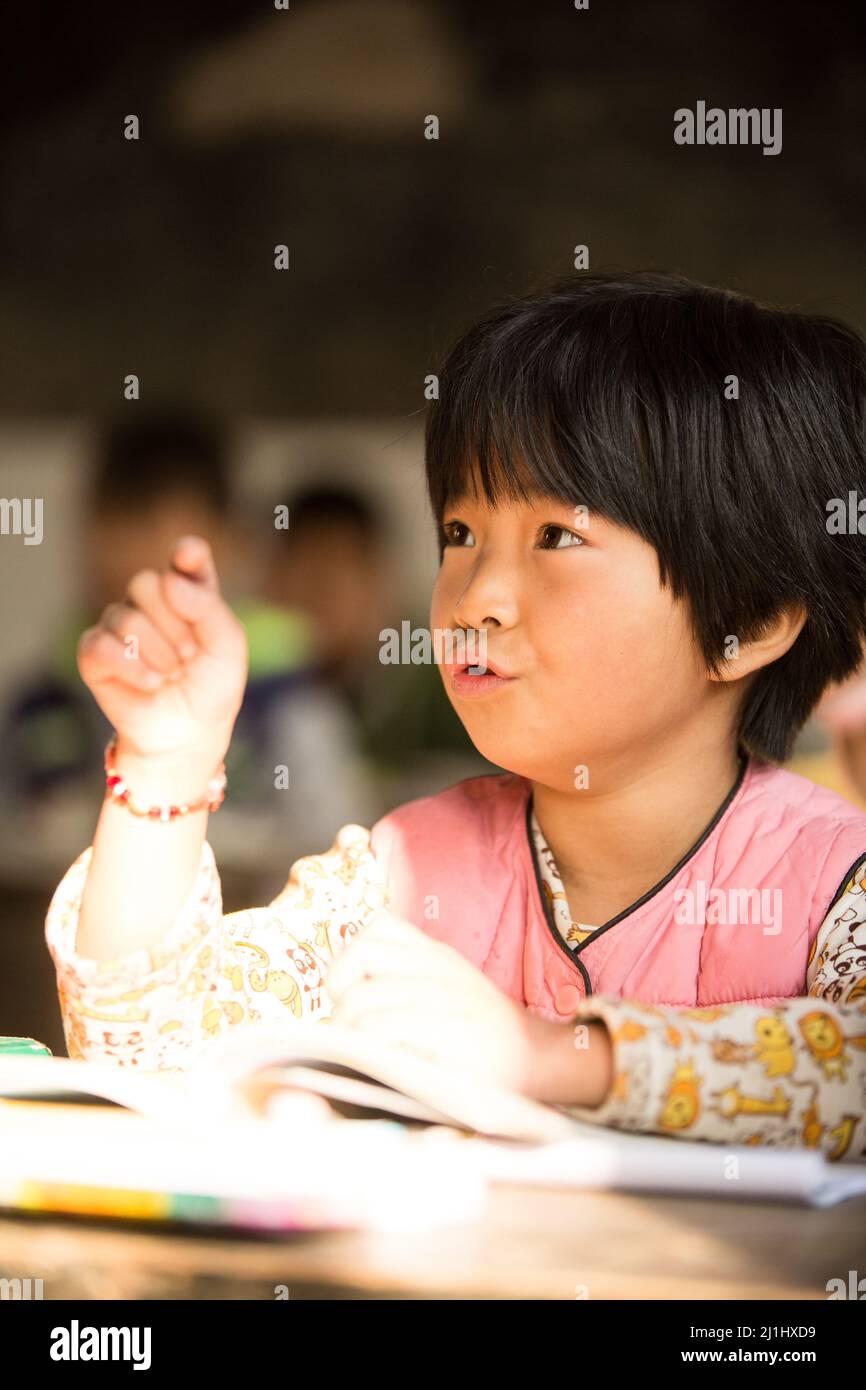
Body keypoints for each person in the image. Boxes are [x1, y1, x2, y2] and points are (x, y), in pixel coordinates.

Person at [45, 272, 866, 1161]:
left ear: (745, 623)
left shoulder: (834, 883)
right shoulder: (400, 875)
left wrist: (547, 1053)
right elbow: (145, 1047)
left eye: (558, 538)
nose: (478, 597)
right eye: (461, 534)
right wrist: (165, 765)